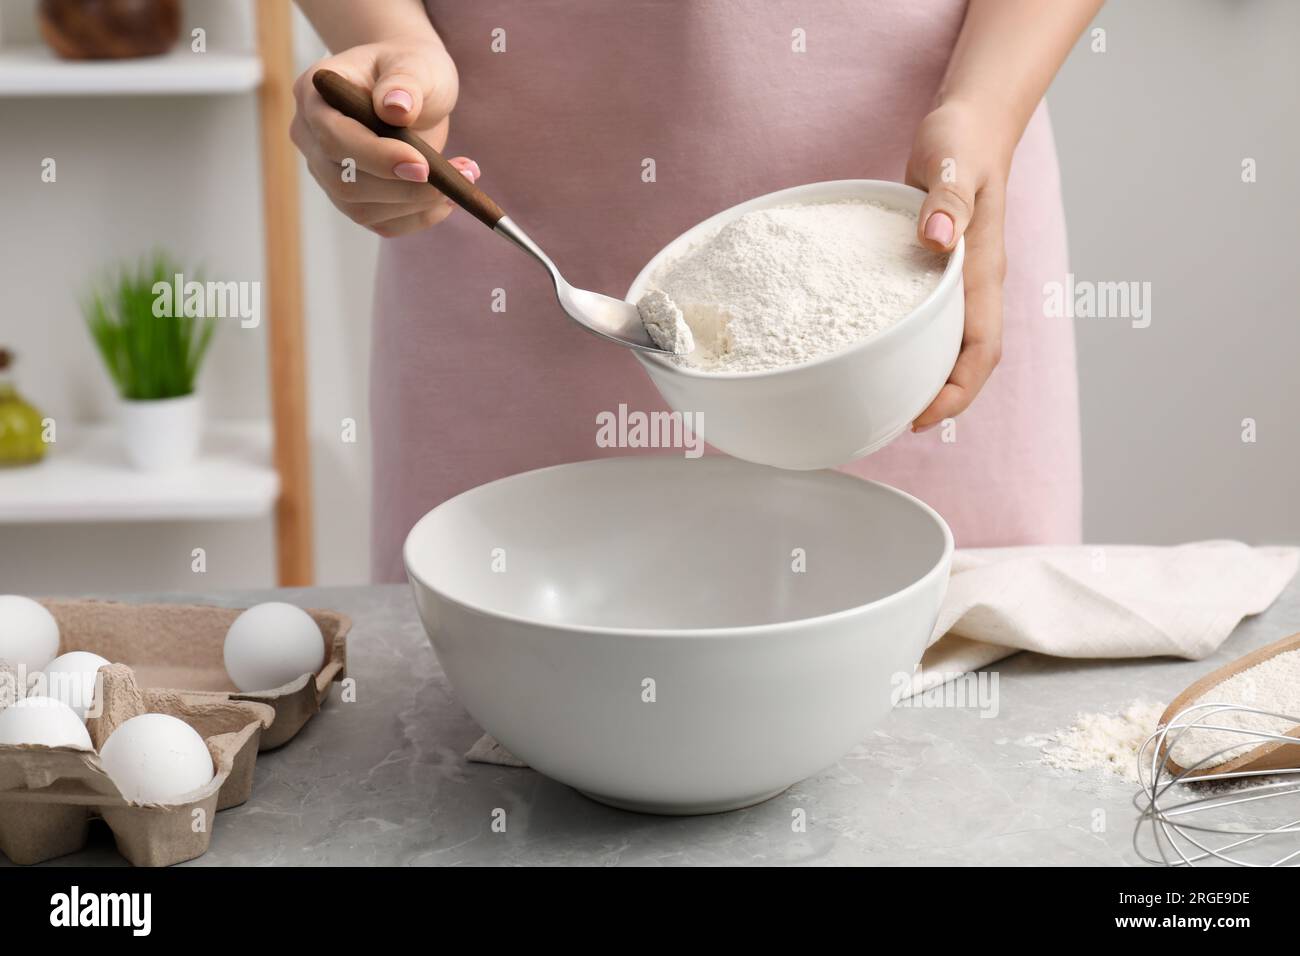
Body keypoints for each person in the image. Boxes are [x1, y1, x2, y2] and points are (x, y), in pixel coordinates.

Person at [290, 0, 1101, 582]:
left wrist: (984, 107)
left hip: (921, 214)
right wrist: (386, 37)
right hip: (502, 216)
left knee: (970, 704)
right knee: (492, 706)